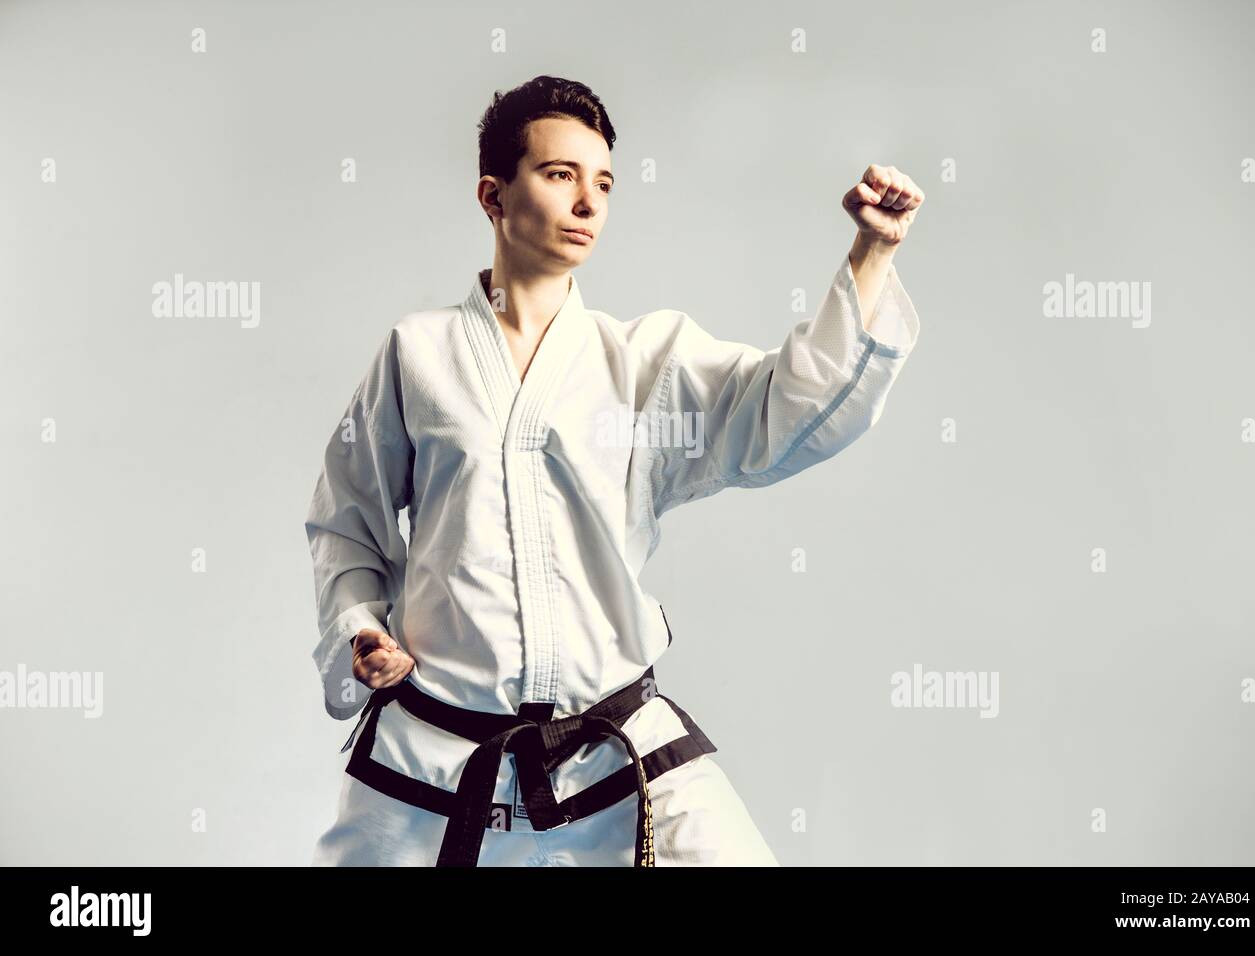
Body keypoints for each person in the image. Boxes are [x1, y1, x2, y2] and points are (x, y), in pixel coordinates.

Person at [306, 75, 924, 866]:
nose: (588, 203)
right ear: (493, 195)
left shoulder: (645, 362)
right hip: (435, 759)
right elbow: (343, 519)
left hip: (610, 749)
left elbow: (783, 412)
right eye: (560, 175)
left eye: (602, 182)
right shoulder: (417, 354)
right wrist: (361, 629)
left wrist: (872, 251)